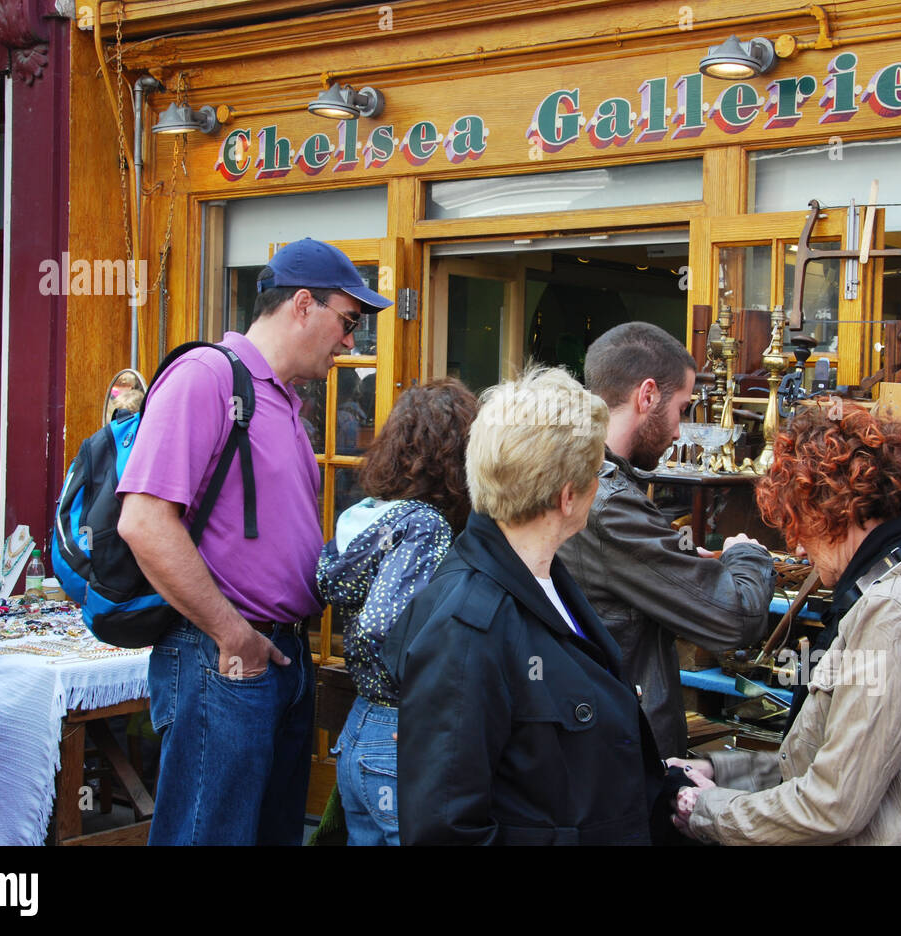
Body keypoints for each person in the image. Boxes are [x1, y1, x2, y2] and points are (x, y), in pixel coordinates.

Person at [117, 238, 392, 845]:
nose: (351, 341)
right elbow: (143, 522)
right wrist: (230, 632)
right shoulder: (206, 377)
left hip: (277, 659)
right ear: (302, 304)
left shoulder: (283, 398)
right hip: (222, 657)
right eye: (347, 322)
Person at [671, 402, 901, 845]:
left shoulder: (898, 609)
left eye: (798, 523)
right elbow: (825, 767)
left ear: (837, 508)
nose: (797, 548)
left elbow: (832, 804)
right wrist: (718, 770)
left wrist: (707, 811)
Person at [386, 366, 683, 845]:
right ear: (568, 496)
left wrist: (667, 789)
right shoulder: (466, 625)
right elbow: (445, 830)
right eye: (597, 472)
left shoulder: (544, 580)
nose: (600, 485)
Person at [558, 321, 776, 758]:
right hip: (621, 748)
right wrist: (747, 554)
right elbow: (733, 619)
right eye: (682, 408)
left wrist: (675, 564)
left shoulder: (568, 472)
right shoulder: (607, 501)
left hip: (592, 737)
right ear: (648, 395)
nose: (679, 431)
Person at [317, 378, 477, 845]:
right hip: (398, 731)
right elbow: (380, 628)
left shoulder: (374, 514)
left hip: (362, 725)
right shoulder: (425, 525)